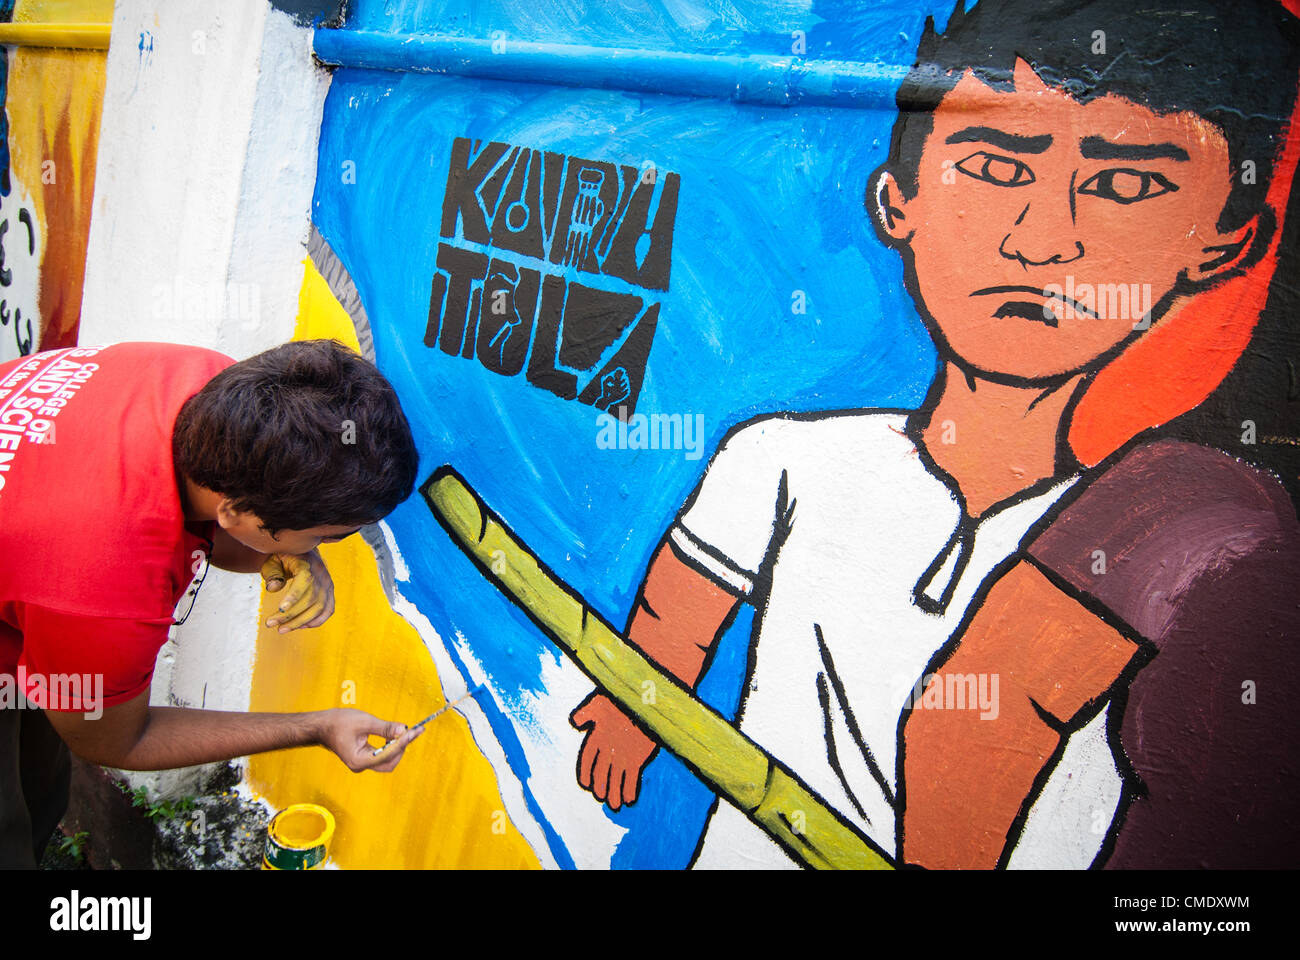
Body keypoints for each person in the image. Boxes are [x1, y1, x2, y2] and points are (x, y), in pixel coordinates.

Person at [569, 0, 1300, 868]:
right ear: (897, 199)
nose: (1041, 242)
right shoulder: (784, 458)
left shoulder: (1138, 550)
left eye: (1126, 185)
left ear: (1222, 245)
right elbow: (680, 606)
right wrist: (632, 704)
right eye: (995, 165)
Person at [0, 338, 423, 868]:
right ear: (237, 513)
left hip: (30, 569)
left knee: (40, 787)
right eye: (326, 537)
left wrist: (295, 550)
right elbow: (117, 741)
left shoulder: (220, 388)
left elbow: (228, 536)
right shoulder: (102, 587)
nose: (325, 553)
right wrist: (315, 726)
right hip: (55, 580)